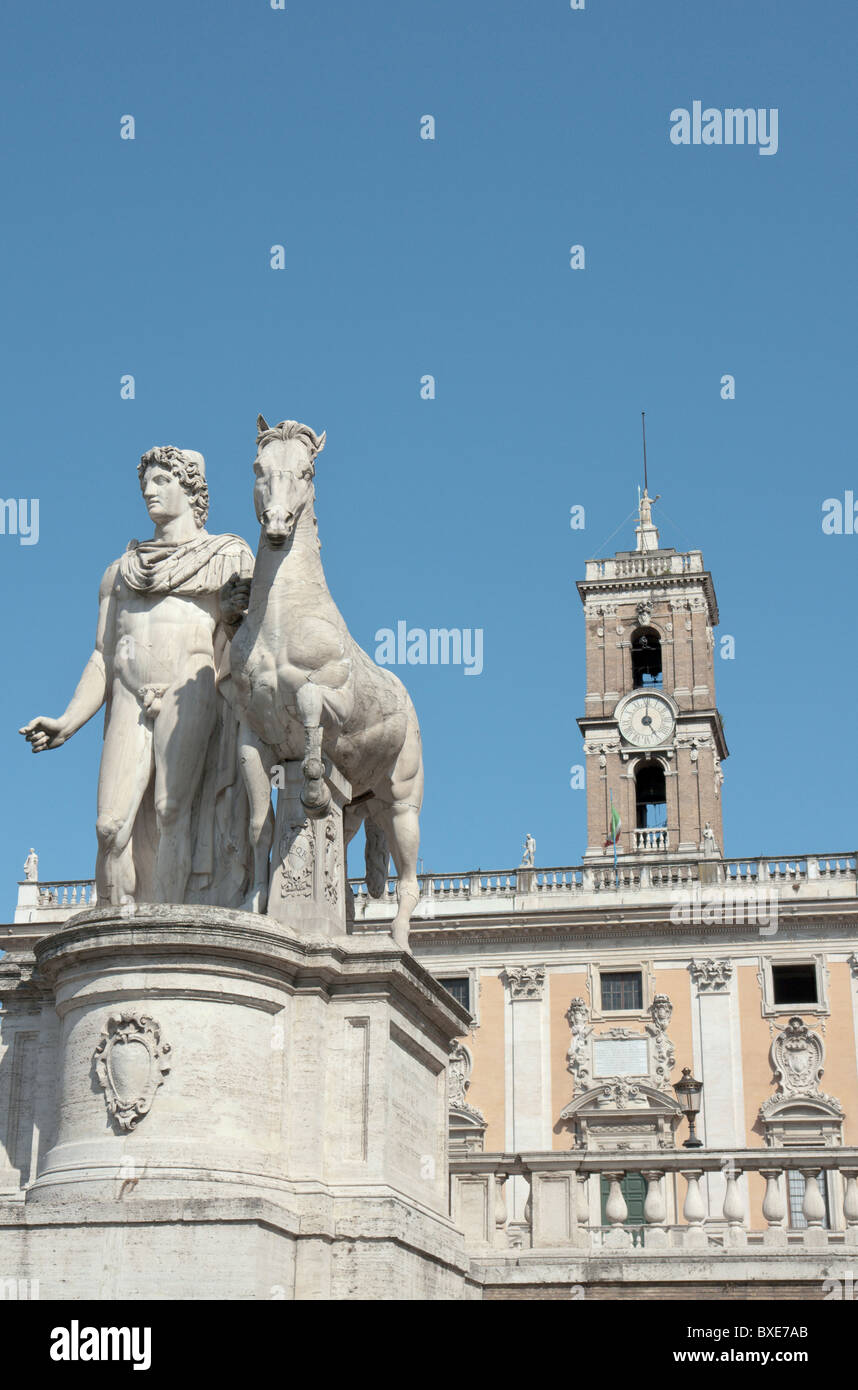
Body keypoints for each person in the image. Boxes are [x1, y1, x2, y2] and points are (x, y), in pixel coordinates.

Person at [20, 446, 254, 907]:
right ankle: (118, 924)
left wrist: (230, 619)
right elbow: (101, 659)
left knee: (172, 811)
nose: (149, 489)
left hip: (191, 685)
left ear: (191, 489)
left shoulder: (225, 556)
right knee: (109, 826)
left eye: (162, 479)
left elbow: (250, 644)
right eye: (145, 481)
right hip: (127, 693)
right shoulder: (120, 573)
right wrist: (68, 721)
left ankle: (165, 921)